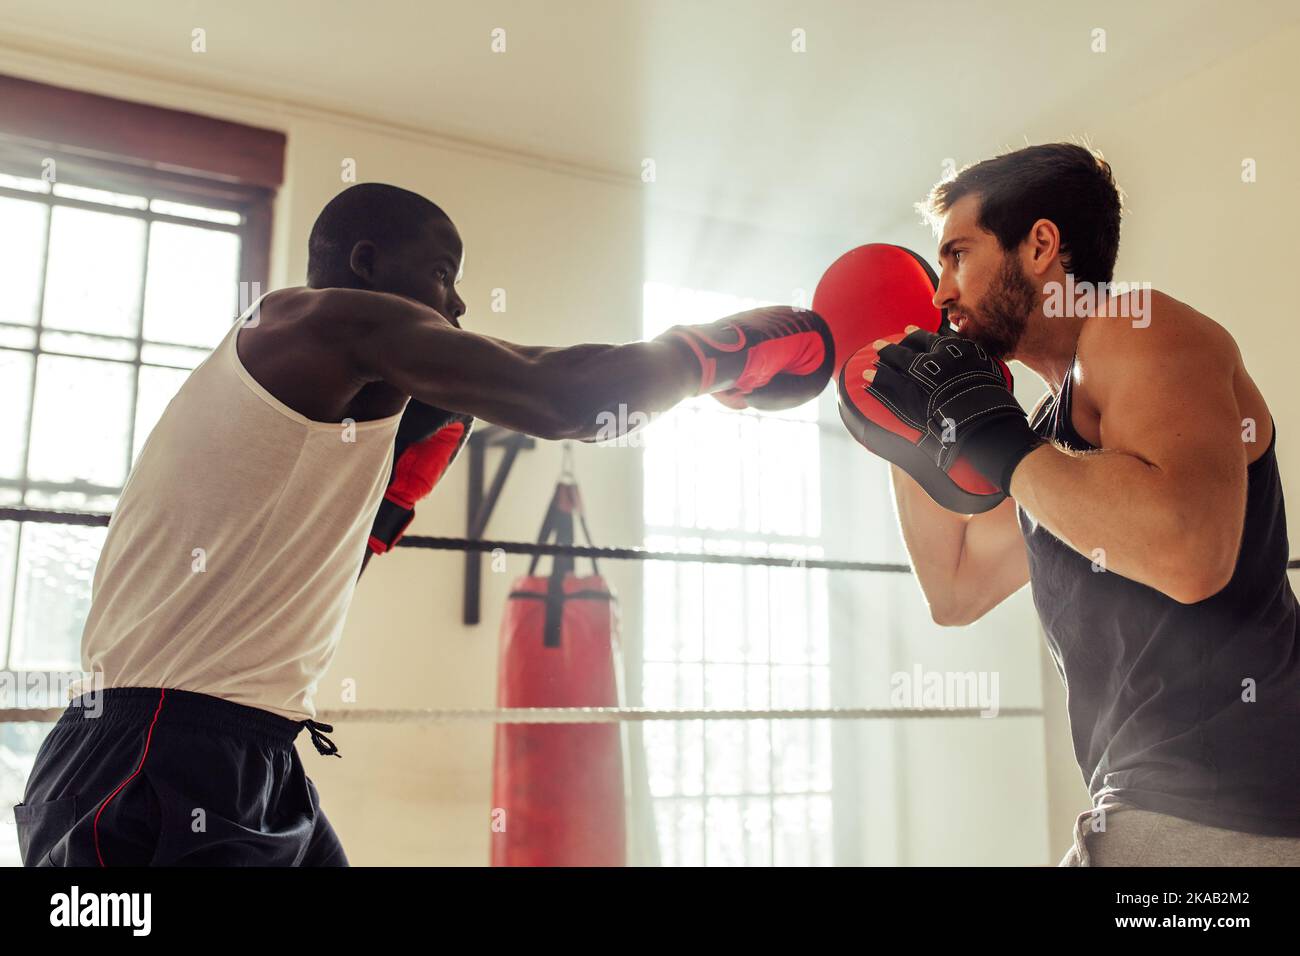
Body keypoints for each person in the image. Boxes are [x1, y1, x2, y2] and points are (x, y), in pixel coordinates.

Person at [13, 182, 832, 866]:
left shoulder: (322, 390)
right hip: (152, 757)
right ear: (368, 264)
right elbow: (568, 397)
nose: (460, 299)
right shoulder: (318, 321)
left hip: (252, 750)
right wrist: (728, 348)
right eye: (443, 272)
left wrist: (383, 505)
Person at [851, 143, 1300, 865]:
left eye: (957, 255)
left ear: (1040, 245)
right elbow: (956, 587)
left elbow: (1190, 553)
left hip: (1231, 816)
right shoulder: (1045, 443)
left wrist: (994, 442)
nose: (940, 292)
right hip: (1153, 813)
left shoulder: (1139, 328)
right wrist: (899, 423)